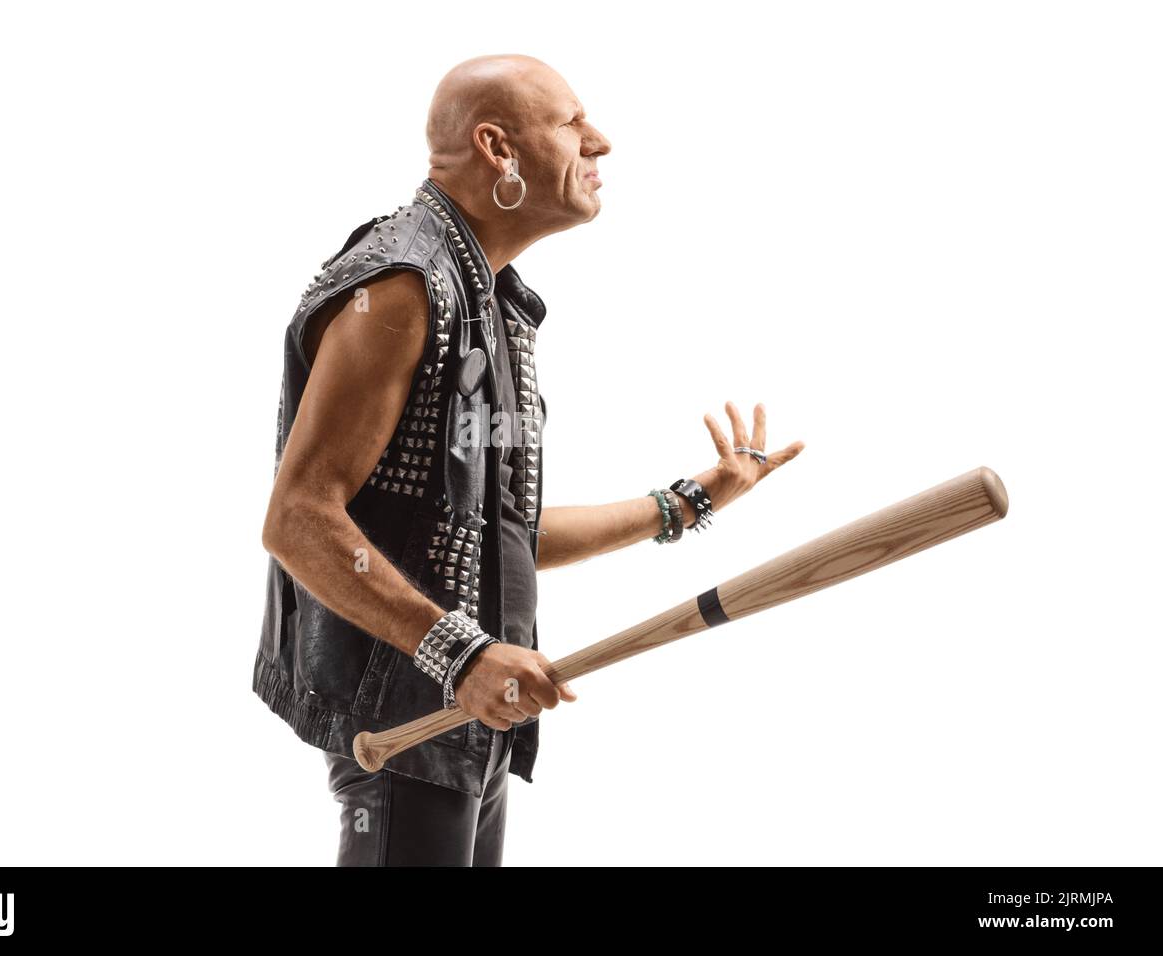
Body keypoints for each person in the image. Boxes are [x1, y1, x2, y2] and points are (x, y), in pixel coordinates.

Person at [254, 53, 805, 866]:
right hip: (406, 725)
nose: (601, 142)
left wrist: (687, 501)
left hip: (470, 721)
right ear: (497, 149)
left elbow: (490, 536)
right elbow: (298, 520)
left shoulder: (490, 297)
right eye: (570, 124)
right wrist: (464, 653)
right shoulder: (404, 287)